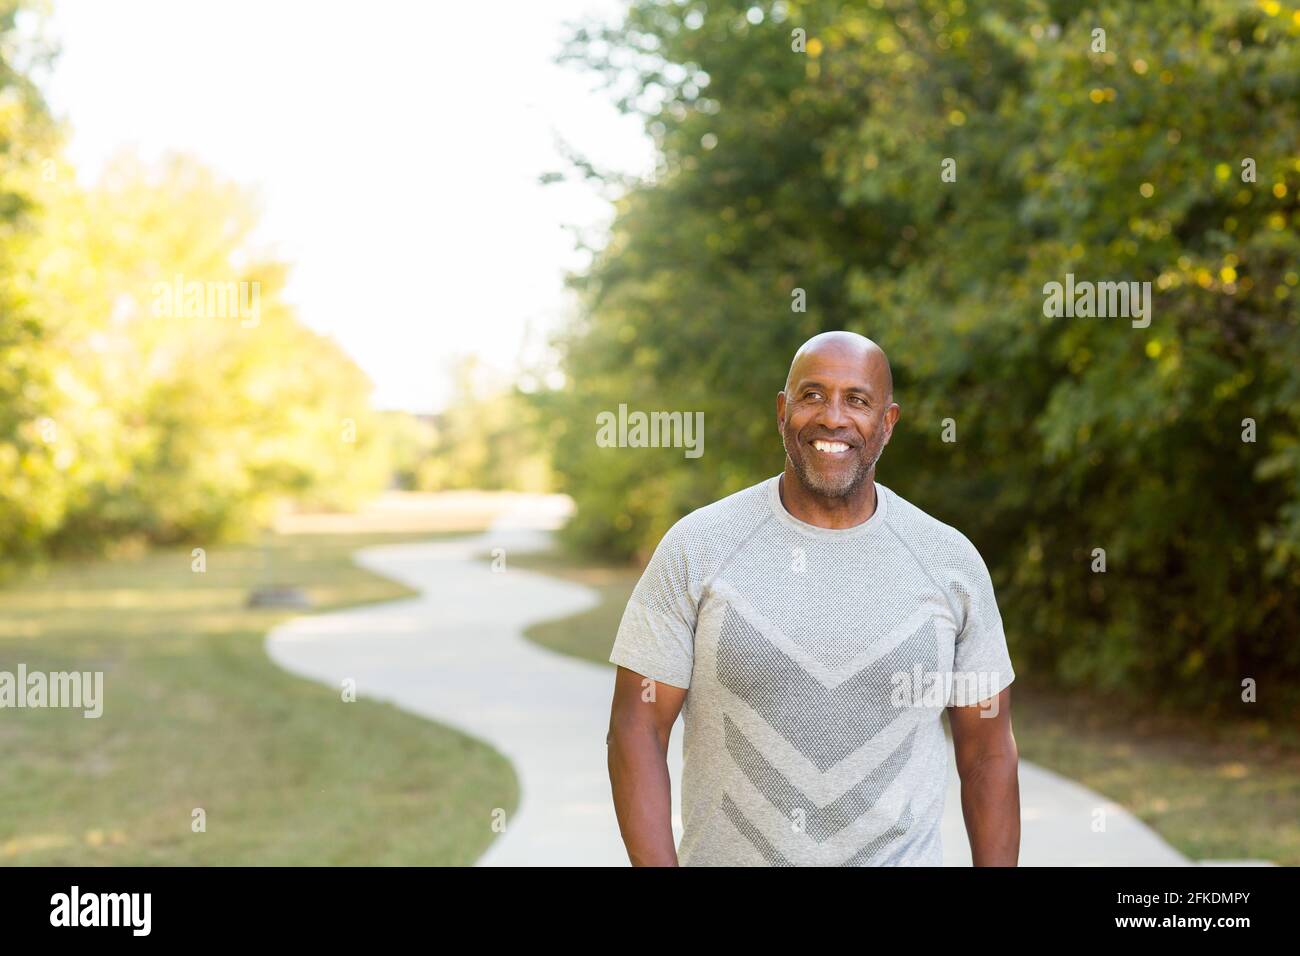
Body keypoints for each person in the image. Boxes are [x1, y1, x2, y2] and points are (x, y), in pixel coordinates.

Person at [606, 330, 1019, 866]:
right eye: (812, 395)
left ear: (887, 423)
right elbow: (636, 728)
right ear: (783, 411)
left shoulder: (949, 562)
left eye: (857, 400)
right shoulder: (697, 547)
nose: (832, 418)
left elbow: (988, 753)